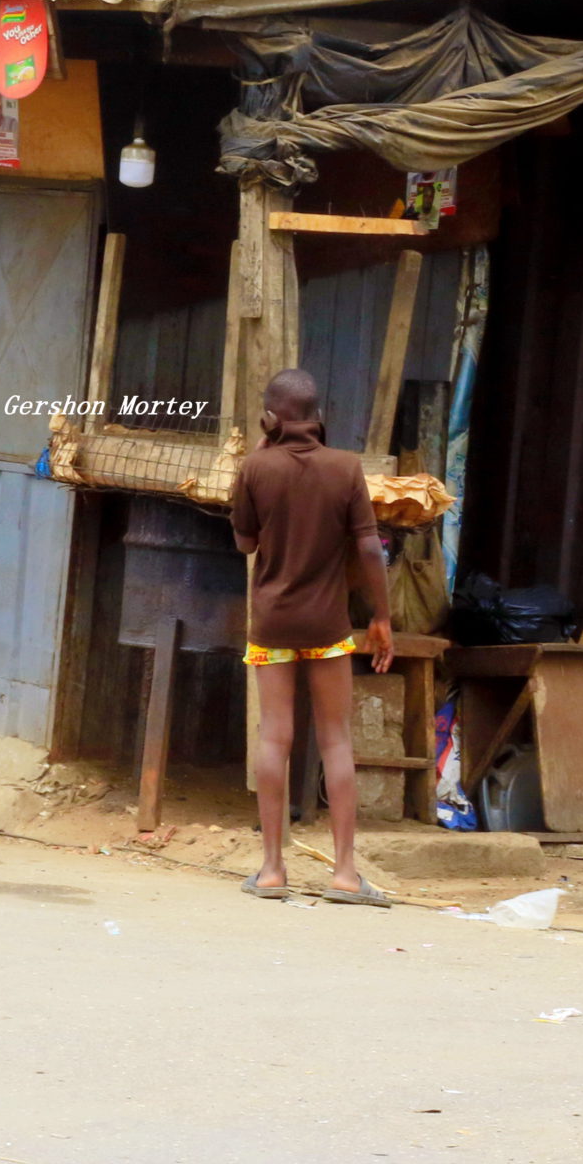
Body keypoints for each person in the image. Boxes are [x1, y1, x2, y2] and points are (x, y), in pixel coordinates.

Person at [230, 369, 395, 904]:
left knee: (275, 737)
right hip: (327, 625)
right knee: (336, 740)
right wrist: (382, 617)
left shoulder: (254, 468)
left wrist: (261, 453)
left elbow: (245, 543)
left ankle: (272, 871)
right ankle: (344, 874)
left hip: (272, 623)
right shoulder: (346, 467)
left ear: (270, 418)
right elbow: (369, 547)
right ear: (318, 416)